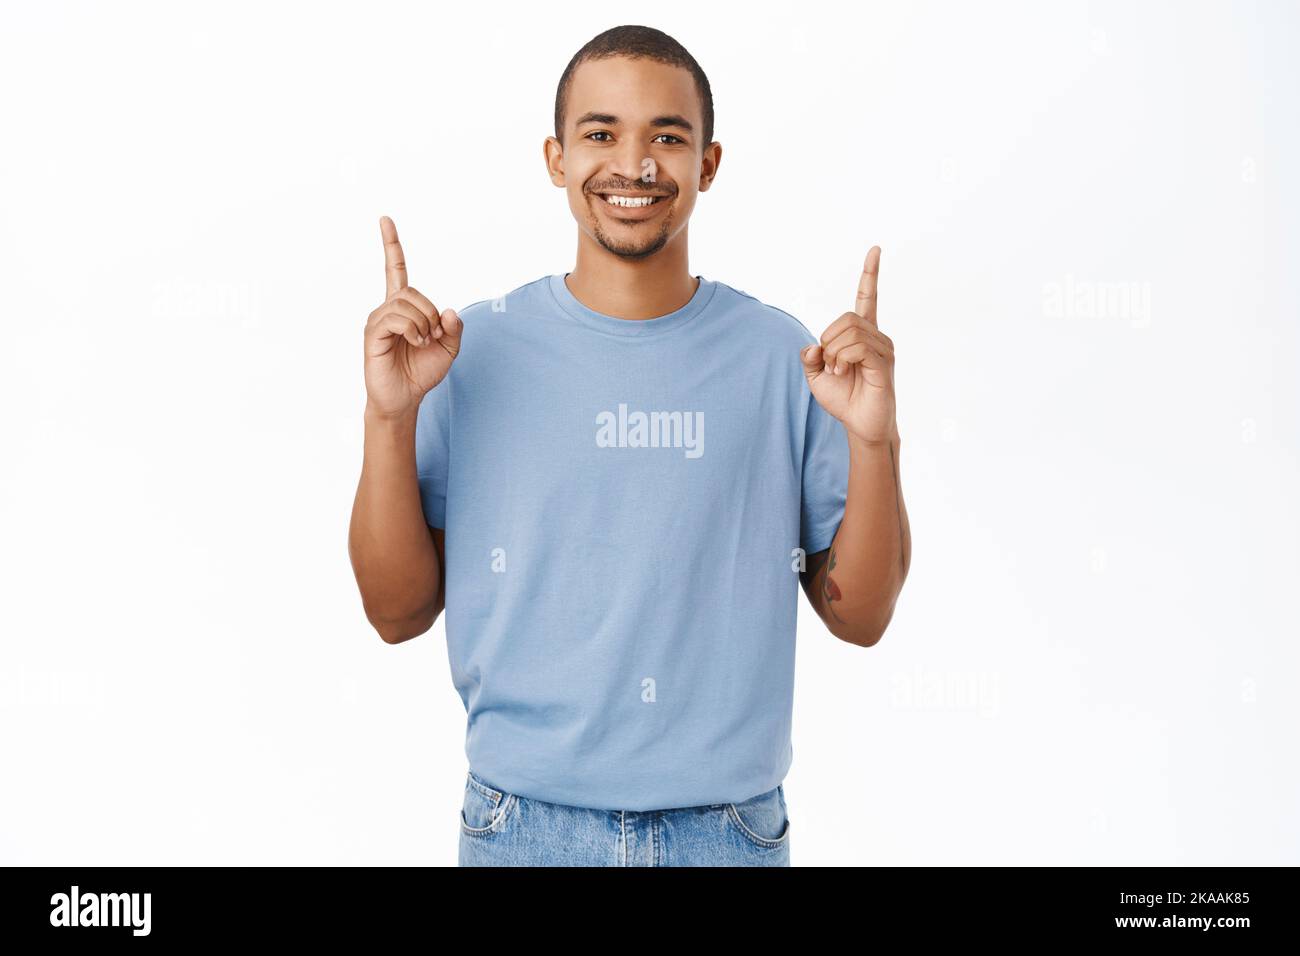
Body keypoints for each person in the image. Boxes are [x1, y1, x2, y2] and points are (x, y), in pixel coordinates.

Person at [347, 24, 911, 866]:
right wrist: (389, 418)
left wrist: (876, 441)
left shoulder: (781, 358)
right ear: (556, 156)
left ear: (708, 165)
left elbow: (859, 618)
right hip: (522, 831)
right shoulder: (468, 353)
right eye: (602, 133)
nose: (634, 164)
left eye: (667, 137)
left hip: (728, 832)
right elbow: (396, 615)